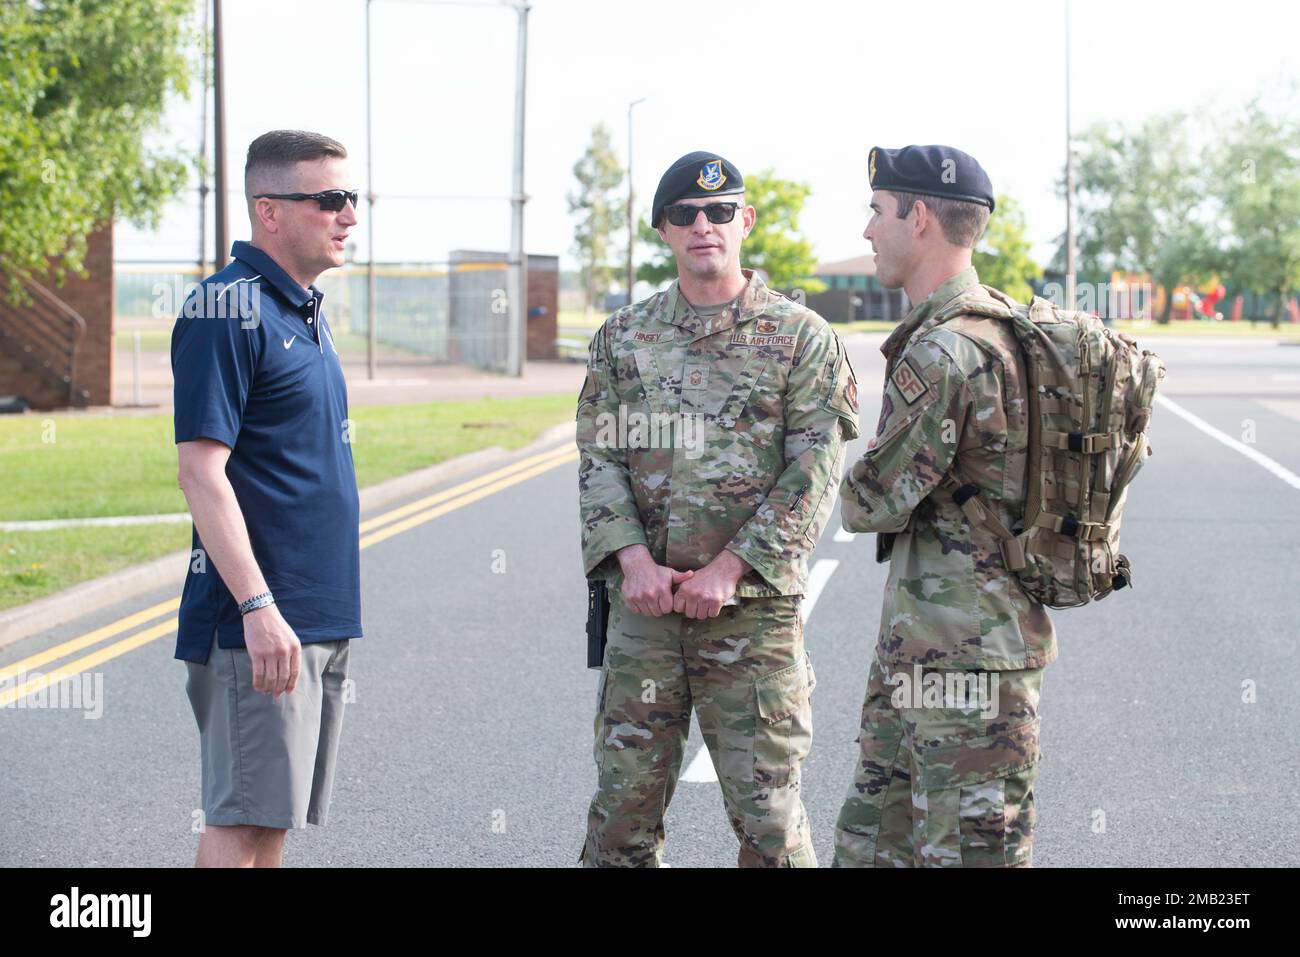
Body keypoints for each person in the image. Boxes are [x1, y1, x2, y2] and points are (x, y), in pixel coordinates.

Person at [577, 151, 860, 867]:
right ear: (665, 231)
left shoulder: (799, 337)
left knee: (768, 822)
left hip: (752, 617)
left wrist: (731, 569)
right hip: (644, 612)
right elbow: (600, 457)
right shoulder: (623, 338)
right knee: (621, 818)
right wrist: (632, 561)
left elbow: (815, 468)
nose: (704, 225)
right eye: (685, 215)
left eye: (720, 211)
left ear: (746, 222)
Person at [832, 144, 1056, 868]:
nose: (868, 231)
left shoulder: (943, 352)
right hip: (946, 650)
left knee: (964, 854)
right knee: (878, 843)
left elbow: (872, 499)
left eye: (877, 211)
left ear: (918, 216)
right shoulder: (1007, 328)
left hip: (959, 662)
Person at [171, 129, 361, 868]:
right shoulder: (229, 309)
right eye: (330, 199)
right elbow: (200, 472)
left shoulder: (304, 309)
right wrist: (257, 608)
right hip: (260, 616)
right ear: (270, 211)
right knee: (241, 820)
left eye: (352, 198)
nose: (348, 215)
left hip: (315, 610)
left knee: (270, 818)